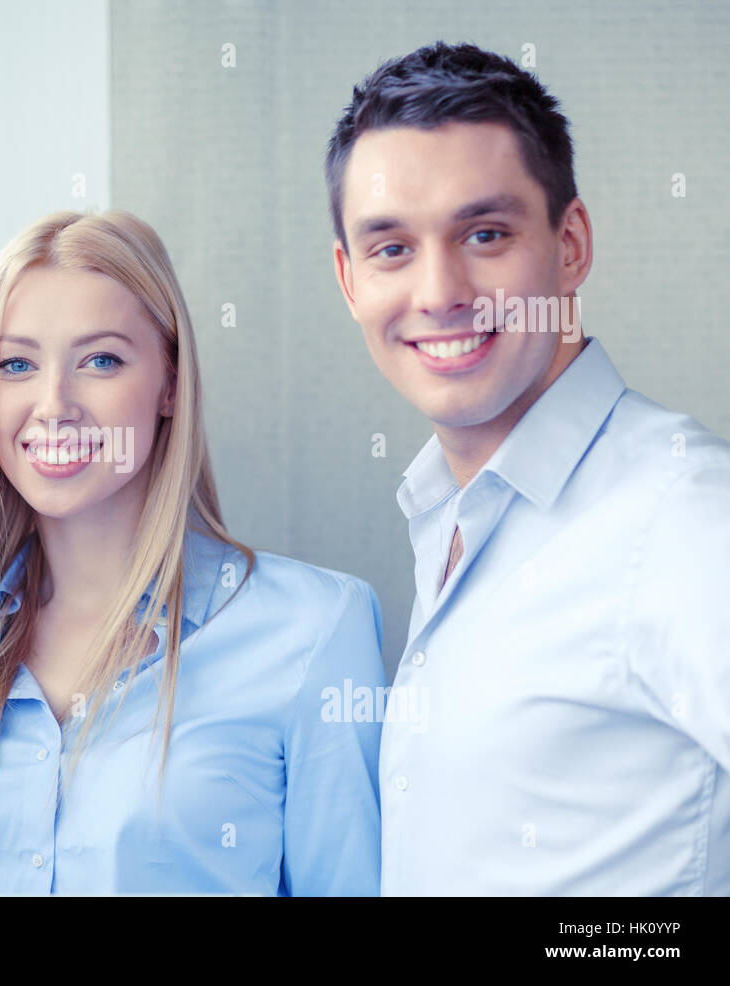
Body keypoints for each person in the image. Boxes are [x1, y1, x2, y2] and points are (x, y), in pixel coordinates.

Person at [0, 209, 385, 895]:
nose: (53, 405)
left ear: (169, 382)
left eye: (100, 360)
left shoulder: (314, 629)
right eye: (15, 364)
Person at [327, 41, 730, 894]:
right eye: (391, 248)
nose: (439, 292)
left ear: (571, 244)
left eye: (485, 234)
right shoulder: (450, 510)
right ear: (349, 280)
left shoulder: (686, 516)